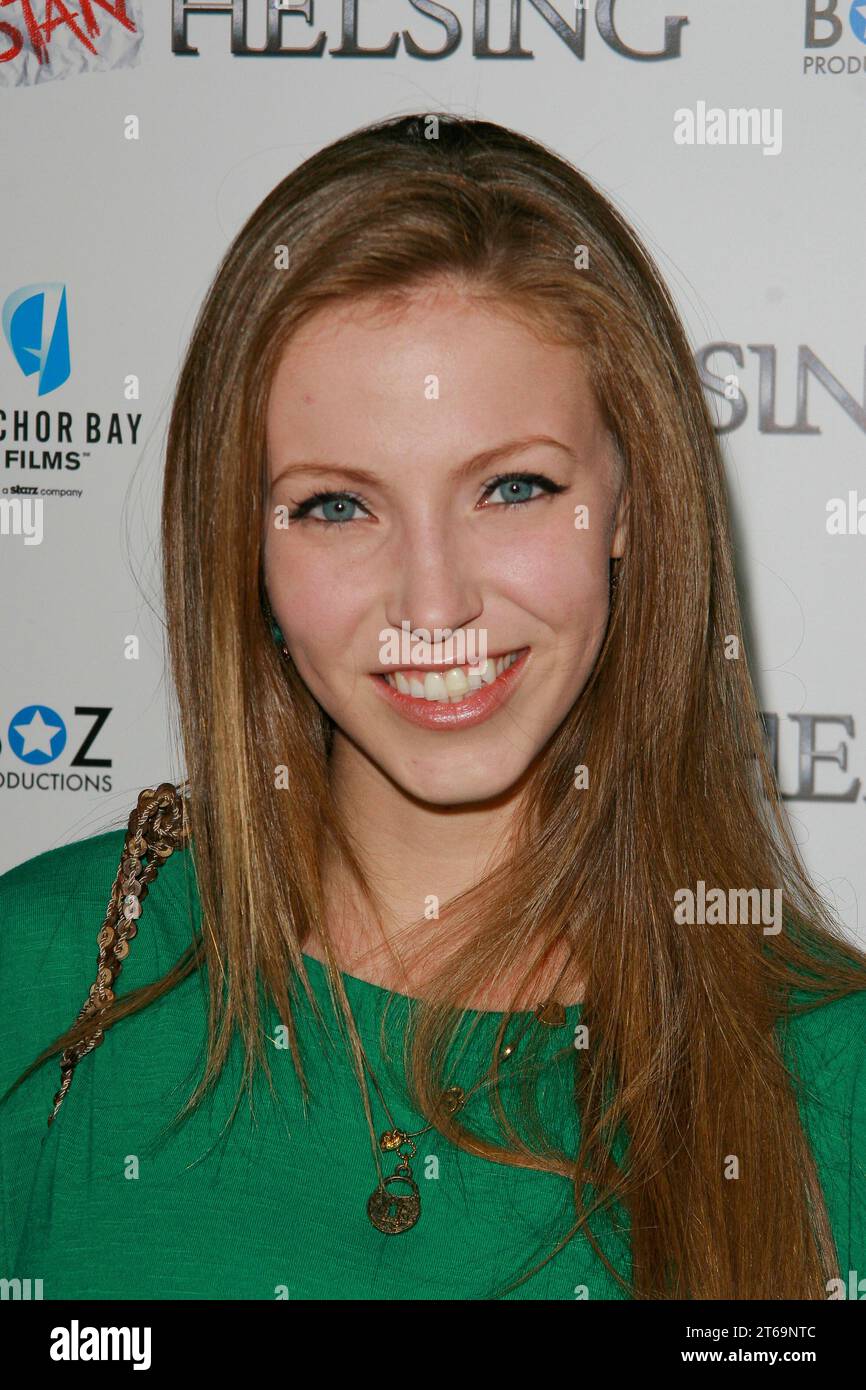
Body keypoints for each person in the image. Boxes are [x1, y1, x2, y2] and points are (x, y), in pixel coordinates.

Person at [1, 112, 864, 1302]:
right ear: (242, 545)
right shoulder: (40, 976)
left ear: (630, 503)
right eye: (335, 506)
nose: (433, 601)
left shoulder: (830, 1073)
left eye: (511, 487)